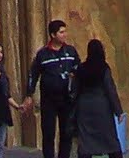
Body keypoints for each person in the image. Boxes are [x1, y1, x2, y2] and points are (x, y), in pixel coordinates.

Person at [22, 18, 80, 158]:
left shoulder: (71, 52)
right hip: (49, 100)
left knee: (66, 132)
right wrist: (29, 94)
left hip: (67, 99)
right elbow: (33, 74)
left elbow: (78, 69)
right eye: (61, 32)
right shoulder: (43, 54)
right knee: (48, 133)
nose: (64, 35)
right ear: (53, 35)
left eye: (65, 32)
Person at [73, 38, 123, 158]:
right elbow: (110, 90)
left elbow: (75, 89)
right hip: (102, 107)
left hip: (84, 107)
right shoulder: (104, 68)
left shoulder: (81, 68)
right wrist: (118, 111)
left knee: (86, 142)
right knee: (110, 139)